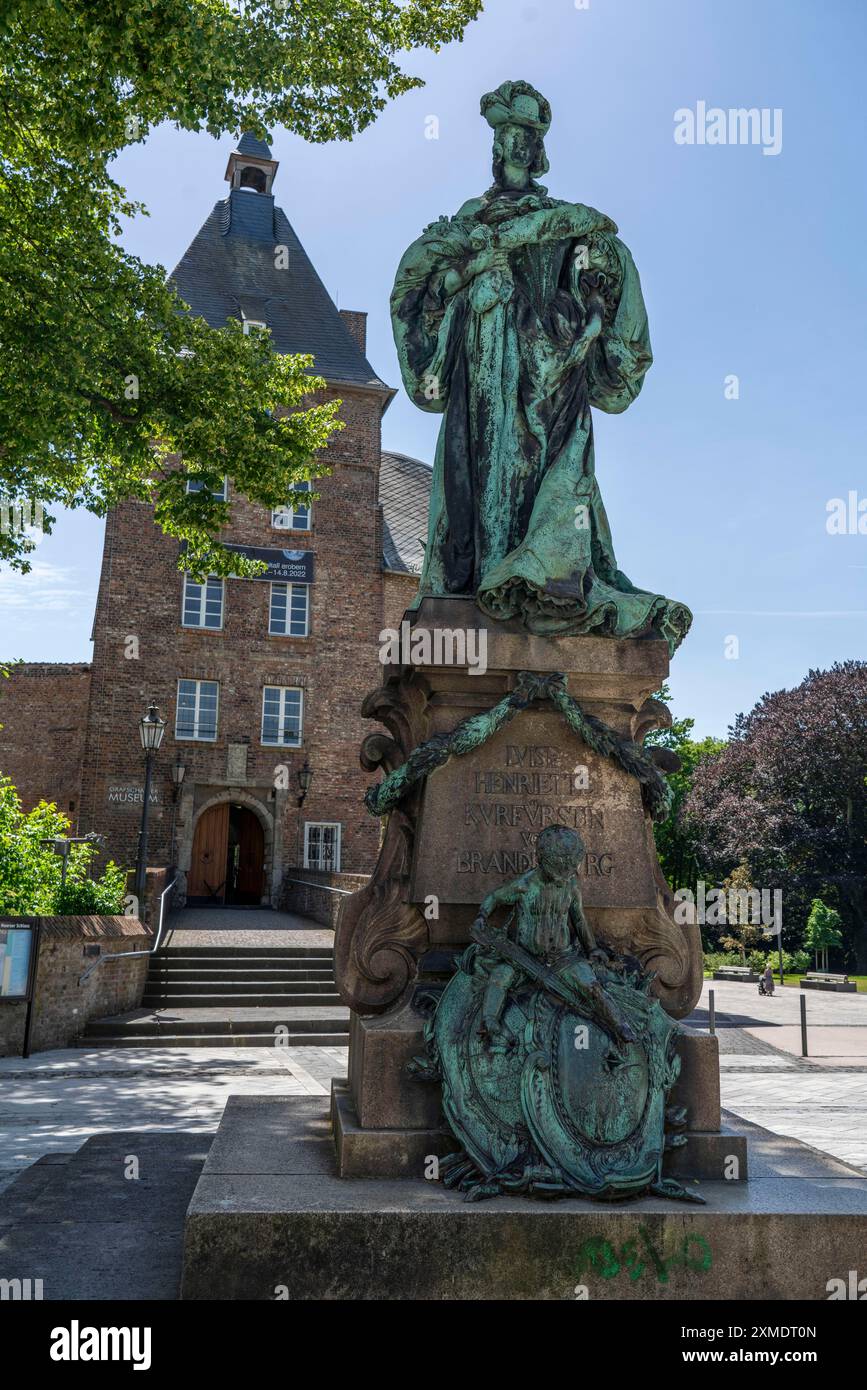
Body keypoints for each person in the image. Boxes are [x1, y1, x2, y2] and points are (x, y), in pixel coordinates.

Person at [470, 823, 635, 1047]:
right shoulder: (525, 885)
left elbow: (579, 919)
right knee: (500, 976)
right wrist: (481, 917)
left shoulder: (571, 885)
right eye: (560, 870)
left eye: (569, 870)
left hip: (562, 958)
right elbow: (494, 898)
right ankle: (489, 1023)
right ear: (542, 860)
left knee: (592, 986)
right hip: (524, 958)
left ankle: (621, 1024)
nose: (564, 876)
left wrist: (592, 948)